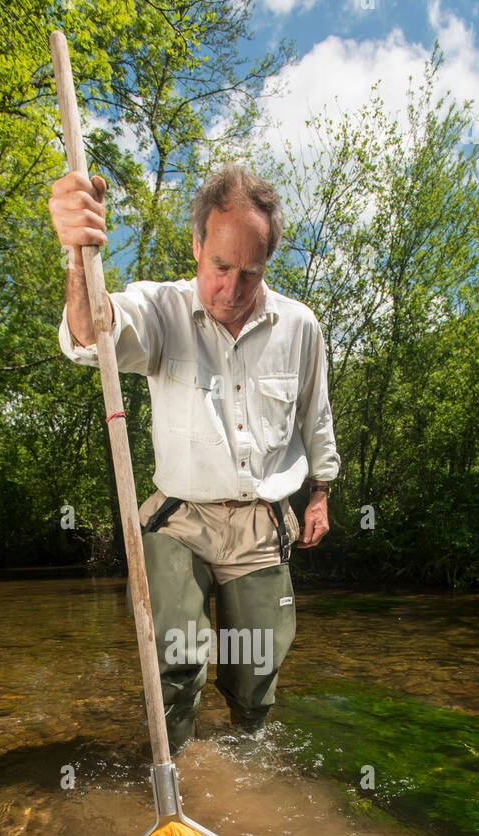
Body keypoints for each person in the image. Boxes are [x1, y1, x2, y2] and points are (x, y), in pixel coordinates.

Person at [48, 163, 340, 752]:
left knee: (255, 680)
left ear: (268, 263)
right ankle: (176, 776)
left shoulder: (302, 327)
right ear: (197, 247)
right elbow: (89, 335)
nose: (231, 290)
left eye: (250, 273)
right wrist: (77, 256)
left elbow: (316, 418)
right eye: (220, 267)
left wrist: (320, 492)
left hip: (263, 524)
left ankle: (244, 779)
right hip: (179, 519)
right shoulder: (159, 310)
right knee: (177, 664)